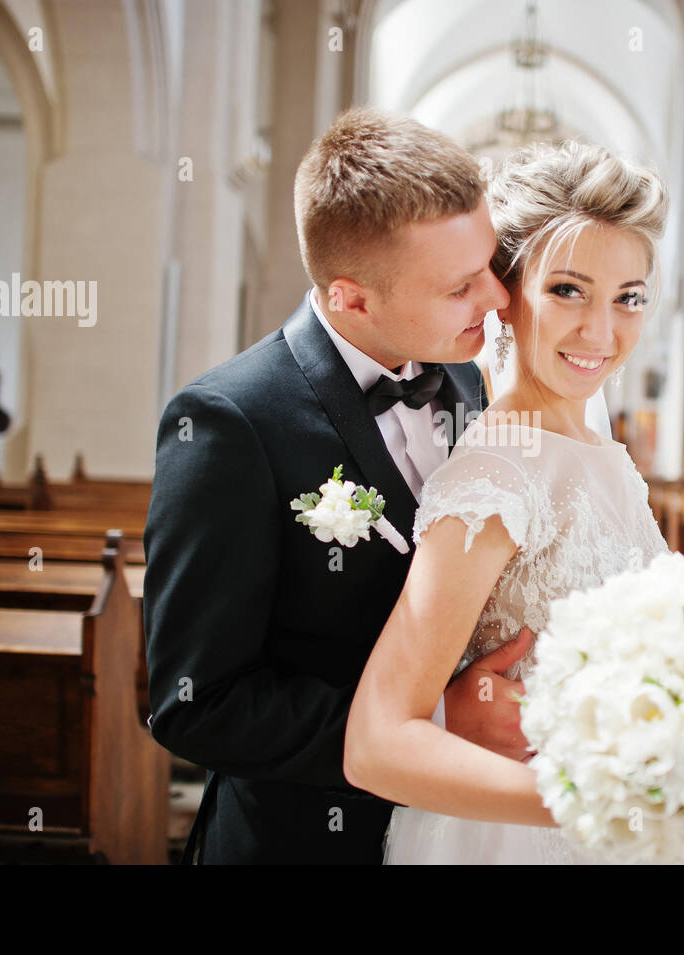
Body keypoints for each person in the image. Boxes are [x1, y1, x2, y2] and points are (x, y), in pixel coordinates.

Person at [143, 107, 535, 864]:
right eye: (459, 286)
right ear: (351, 298)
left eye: (489, 263)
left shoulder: (466, 378)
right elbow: (195, 703)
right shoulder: (229, 424)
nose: (495, 298)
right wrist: (433, 726)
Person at [343, 140, 671, 863]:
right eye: (567, 290)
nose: (600, 331)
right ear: (506, 292)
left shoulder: (607, 458)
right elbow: (375, 742)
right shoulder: (496, 472)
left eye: (629, 298)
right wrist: (591, 804)